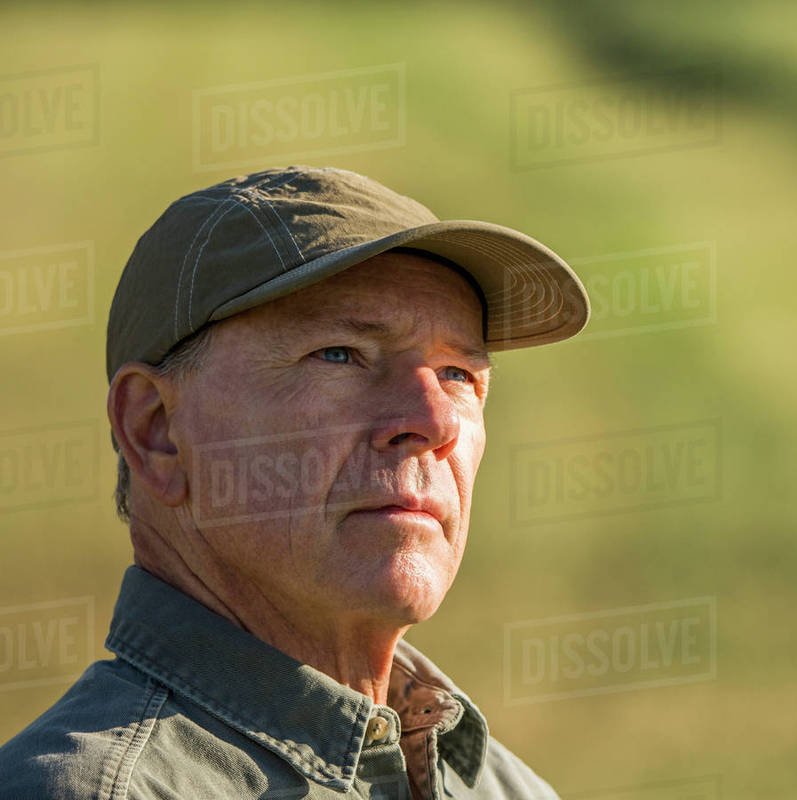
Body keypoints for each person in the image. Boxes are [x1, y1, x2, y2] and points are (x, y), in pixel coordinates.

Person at [0, 165, 590, 799]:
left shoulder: (505, 789)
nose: (433, 421)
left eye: (458, 374)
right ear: (156, 432)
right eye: (339, 354)